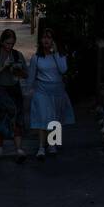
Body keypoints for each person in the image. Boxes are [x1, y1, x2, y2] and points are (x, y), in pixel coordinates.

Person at [26, 28, 74, 160]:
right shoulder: (36, 57)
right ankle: (41, 147)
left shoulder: (60, 55)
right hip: (42, 91)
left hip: (57, 92)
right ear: (40, 40)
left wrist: (56, 52)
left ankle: (52, 144)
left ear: (54, 41)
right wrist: (27, 91)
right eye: (44, 37)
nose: (46, 40)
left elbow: (63, 70)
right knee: (42, 118)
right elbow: (31, 76)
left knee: (55, 118)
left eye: (49, 37)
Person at [0, 29, 28, 162]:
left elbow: (26, 75)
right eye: (8, 43)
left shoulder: (17, 55)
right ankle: (0, 146)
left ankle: (18, 149)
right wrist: (3, 67)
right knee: (0, 118)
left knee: (17, 118)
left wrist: (18, 71)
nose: (10, 46)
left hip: (14, 89)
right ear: (2, 42)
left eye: (12, 44)